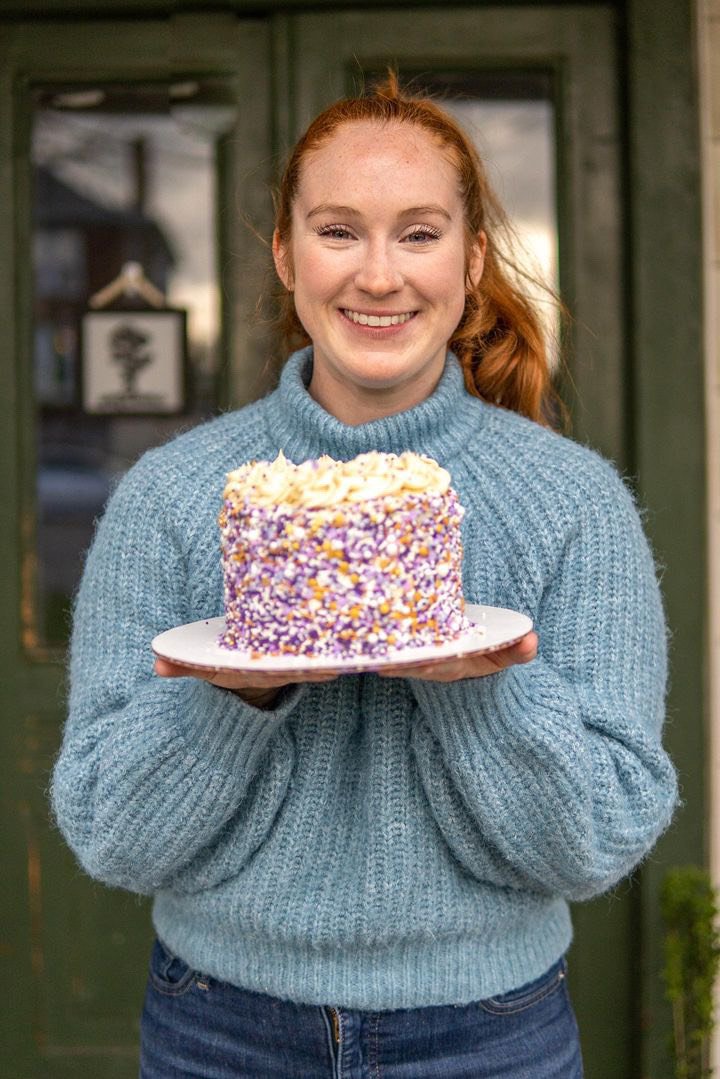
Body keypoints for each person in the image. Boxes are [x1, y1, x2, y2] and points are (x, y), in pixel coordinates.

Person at [51, 74, 678, 1078]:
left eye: (419, 233)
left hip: (490, 1032)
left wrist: (483, 684)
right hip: (221, 1026)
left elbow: (601, 837)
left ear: (472, 261)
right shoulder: (173, 497)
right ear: (285, 254)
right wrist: (238, 690)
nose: (379, 275)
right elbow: (107, 832)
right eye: (339, 230)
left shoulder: (573, 502)